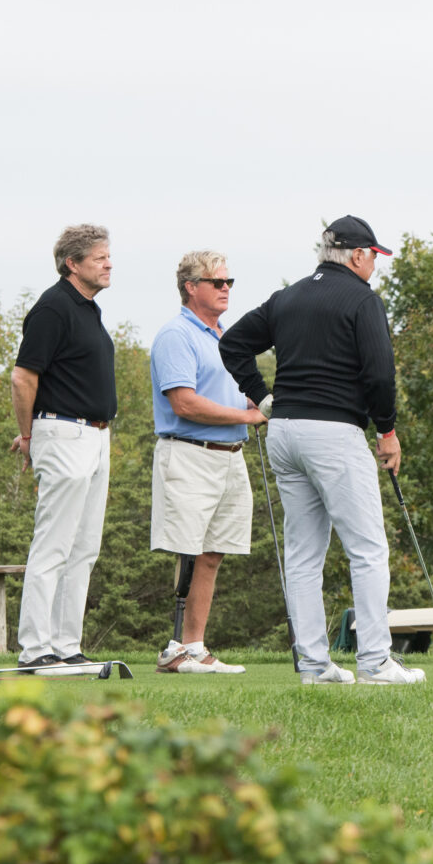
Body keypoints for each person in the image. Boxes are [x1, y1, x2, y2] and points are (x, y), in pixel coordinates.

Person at [219, 216, 424, 685]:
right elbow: (379, 375)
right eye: (373, 256)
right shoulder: (362, 300)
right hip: (333, 433)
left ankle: (314, 666)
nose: (374, 265)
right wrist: (387, 432)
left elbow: (233, 343)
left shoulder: (288, 296)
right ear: (357, 255)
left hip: (285, 433)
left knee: (304, 555)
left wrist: (262, 395)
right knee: (369, 549)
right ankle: (375, 663)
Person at [149, 251, 265, 675]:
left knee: (214, 554)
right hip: (189, 452)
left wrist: (254, 402)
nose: (226, 289)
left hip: (230, 457)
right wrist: (247, 416)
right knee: (188, 552)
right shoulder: (176, 335)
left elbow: (228, 394)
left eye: (229, 282)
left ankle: (194, 646)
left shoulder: (226, 338)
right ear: (190, 287)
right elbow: (183, 402)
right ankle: (173, 650)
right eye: (217, 282)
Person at [10, 224, 117, 668]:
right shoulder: (53, 308)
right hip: (63, 434)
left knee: (84, 548)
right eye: (99, 258)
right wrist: (30, 436)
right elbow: (23, 376)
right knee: (53, 545)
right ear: (72, 264)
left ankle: (66, 646)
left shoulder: (88, 309)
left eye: (109, 256)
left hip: (95, 435)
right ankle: (35, 650)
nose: (109, 264)